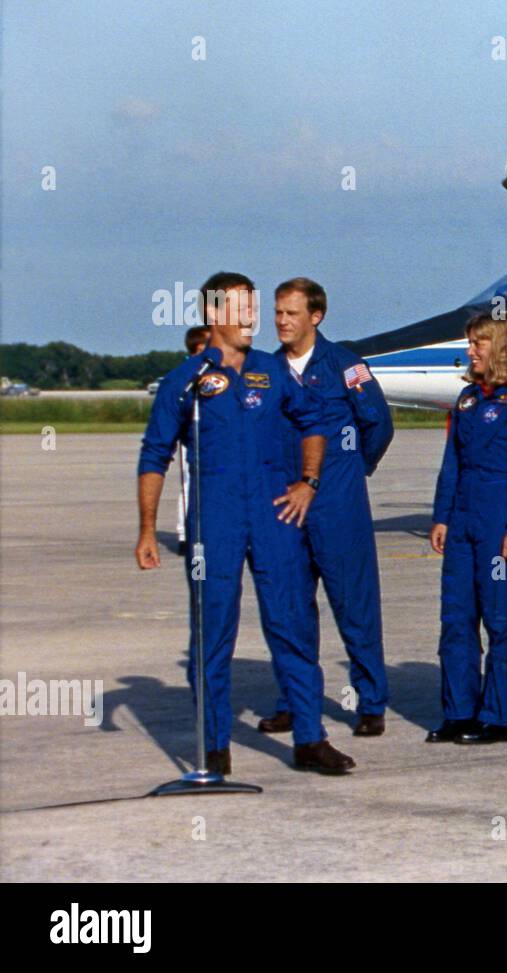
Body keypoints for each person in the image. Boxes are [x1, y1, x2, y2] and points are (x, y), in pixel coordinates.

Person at [136, 271, 355, 776]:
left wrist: (309, 482)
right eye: (240, 308)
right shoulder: (185, 379)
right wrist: (148, 530)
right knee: (213, 632)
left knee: (292, 625)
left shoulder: (272, 371)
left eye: (253, 307)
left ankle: (309, 739)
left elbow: (314, 422)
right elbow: (154, 456)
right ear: (213, 316)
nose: (253, 318)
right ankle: (214, 744)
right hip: (215, 521)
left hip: (273, 514)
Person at [256, 278, 395, 738]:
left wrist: (354, 470)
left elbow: (378, 423)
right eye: (277, 312)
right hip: (286, 506)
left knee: (354, 604)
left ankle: (370, 701)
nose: (281, 321)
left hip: (338, 503)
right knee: (289, 610)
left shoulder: (345, 365)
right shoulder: (266, 371)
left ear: (315, 317)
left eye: (291, 313)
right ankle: (294, 702)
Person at [427, 314, 507, 744]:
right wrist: (442, 517)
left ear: (501, 348)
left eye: (479, 343)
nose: (471, 351)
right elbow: (452, 464)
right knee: (456, 619)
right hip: (464, 521)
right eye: (470, 343)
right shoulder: (467, 400)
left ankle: (498, 716)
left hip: (500, 521)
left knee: (502, 620)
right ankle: (459, 712)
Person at [175, 324, 210, 546]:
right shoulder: (187, 374)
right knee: (189, 483)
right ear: (198, 347)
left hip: (212, 436)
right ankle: (184, 533)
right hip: (191, 436)